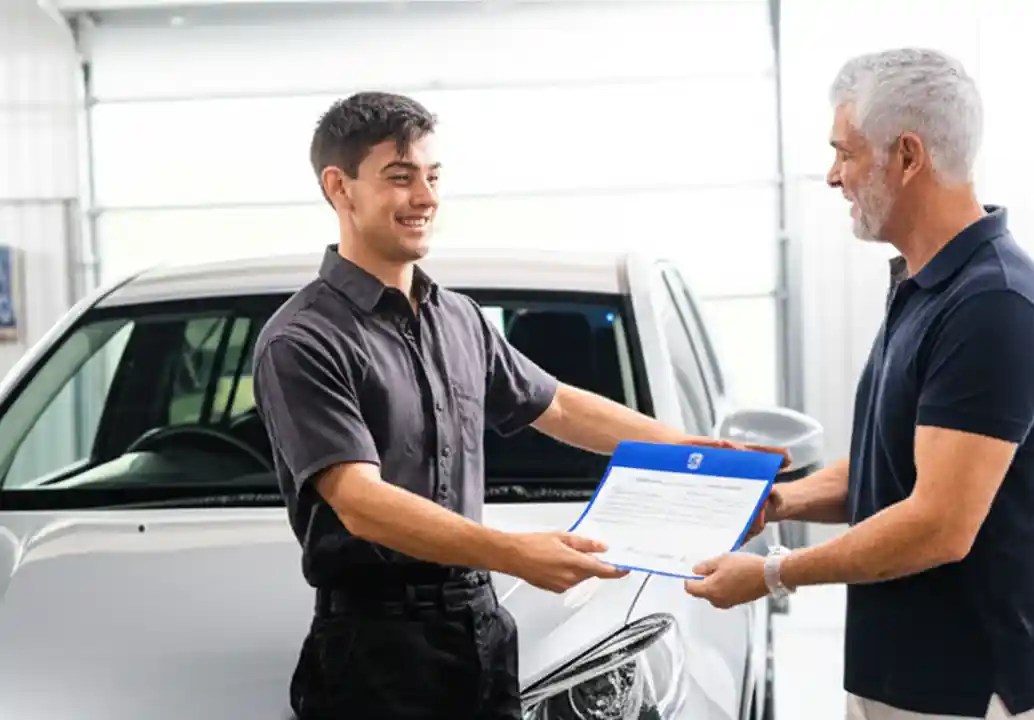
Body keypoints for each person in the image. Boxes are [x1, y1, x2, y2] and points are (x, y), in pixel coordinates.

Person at [252, 91, 784, 720]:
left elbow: (557, 406)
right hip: (375, 651)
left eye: (433, 176)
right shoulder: (302, 340)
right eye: (400, 178)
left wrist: (688, 450)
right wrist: (514, 553)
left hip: (480, 629)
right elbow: (360, 502)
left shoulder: (457, 318)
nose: (425, 198)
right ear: (339, 189)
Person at [683, 49, 1034, 719]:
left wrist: (774, 573)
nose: (834, 177)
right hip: (902, 678)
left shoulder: (993, 307)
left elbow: (938, 524)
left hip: (970, 690)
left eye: (846, 153)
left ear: (908, 156)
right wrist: (779, 501)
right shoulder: (928, 288)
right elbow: (891, 470)